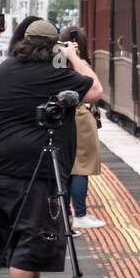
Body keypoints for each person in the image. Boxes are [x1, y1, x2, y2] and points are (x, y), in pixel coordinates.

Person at [0, 18, 103, 278]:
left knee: (21, 232)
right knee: (35, 231)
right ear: (52, 48)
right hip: (30, 167)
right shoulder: (53, 74)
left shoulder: (6, 68)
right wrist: (74, 57)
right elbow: (95, 91)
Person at [60, 26, 106, 230]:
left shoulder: (57, 63)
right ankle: (80, 213)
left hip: (65, 115)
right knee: (81, 166)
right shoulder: (79, 64)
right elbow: (95, 88)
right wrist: (77, 58)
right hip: (81, 114)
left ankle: (67, 214)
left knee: (68, 167)